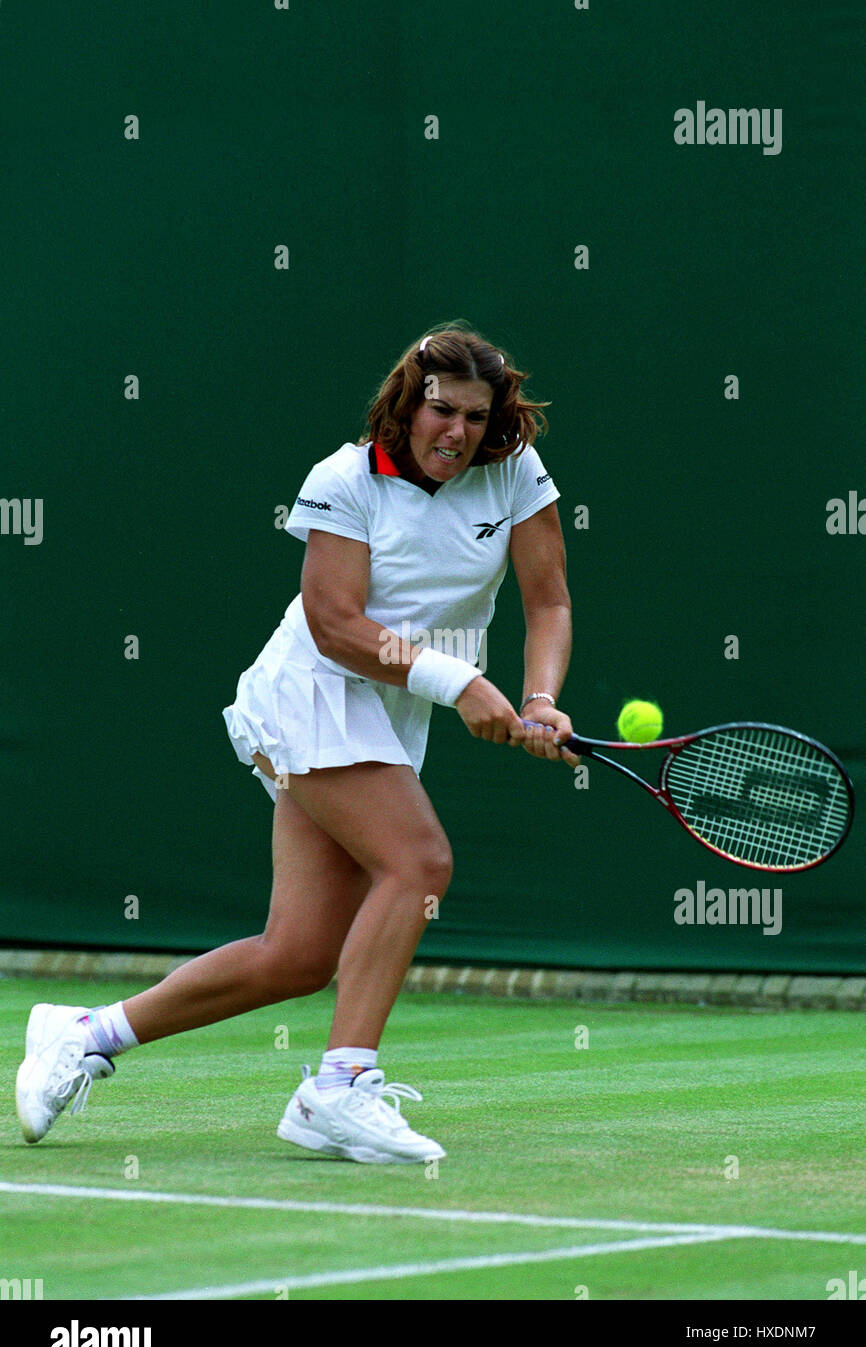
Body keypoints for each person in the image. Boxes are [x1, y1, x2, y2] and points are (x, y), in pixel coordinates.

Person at [15, 323, 580, 1165]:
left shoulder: (515, 474)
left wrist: (539, 698)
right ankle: (338, 1087)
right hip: (311, 691)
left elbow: (549, 603)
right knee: (419, 864)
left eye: (473, 416)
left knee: (297, 955)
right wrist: (459, 683)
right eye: (440, 412)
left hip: (388, 714)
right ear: (407, 403)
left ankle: (86, 1033)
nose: (455, 433)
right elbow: (337, 625)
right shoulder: (344, 480)